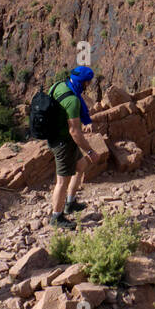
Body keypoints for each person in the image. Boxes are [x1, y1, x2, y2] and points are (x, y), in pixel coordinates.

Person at [46, 65, 96, 230]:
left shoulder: (59, 85)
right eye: (87, 83)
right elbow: (75, 131)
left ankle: (70, 203)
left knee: (81, 166)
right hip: (62, 142)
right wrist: (90, 150)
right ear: (82, 82)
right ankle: (56, 216)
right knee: (62, 181)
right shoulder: (73, 101)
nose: (87, 86)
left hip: (60, 137)